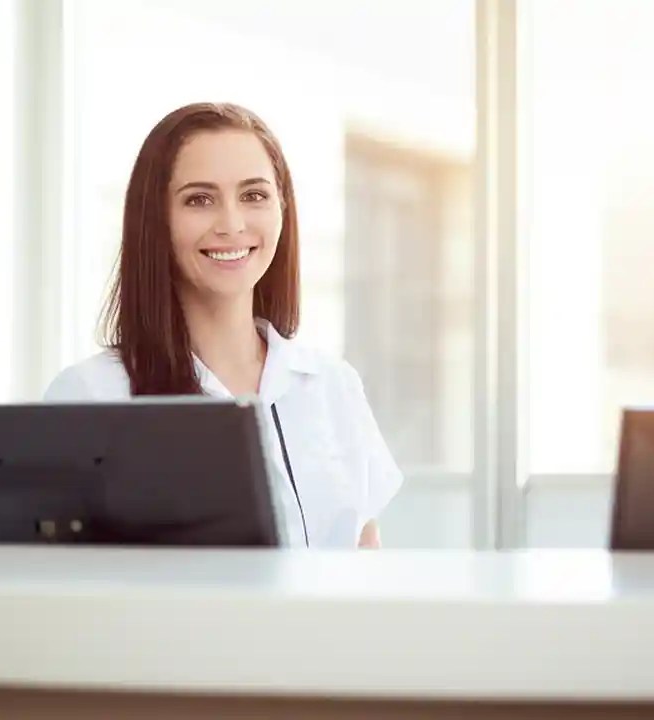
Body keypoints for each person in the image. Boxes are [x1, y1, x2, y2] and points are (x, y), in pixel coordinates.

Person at [44, 102, 402, 548]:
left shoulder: (333, 386)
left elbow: (365, 553)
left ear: (281, 210)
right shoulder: (90, 395)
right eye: (199, 199)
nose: (232, 224)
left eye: (253, 196)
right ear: (156, 219)